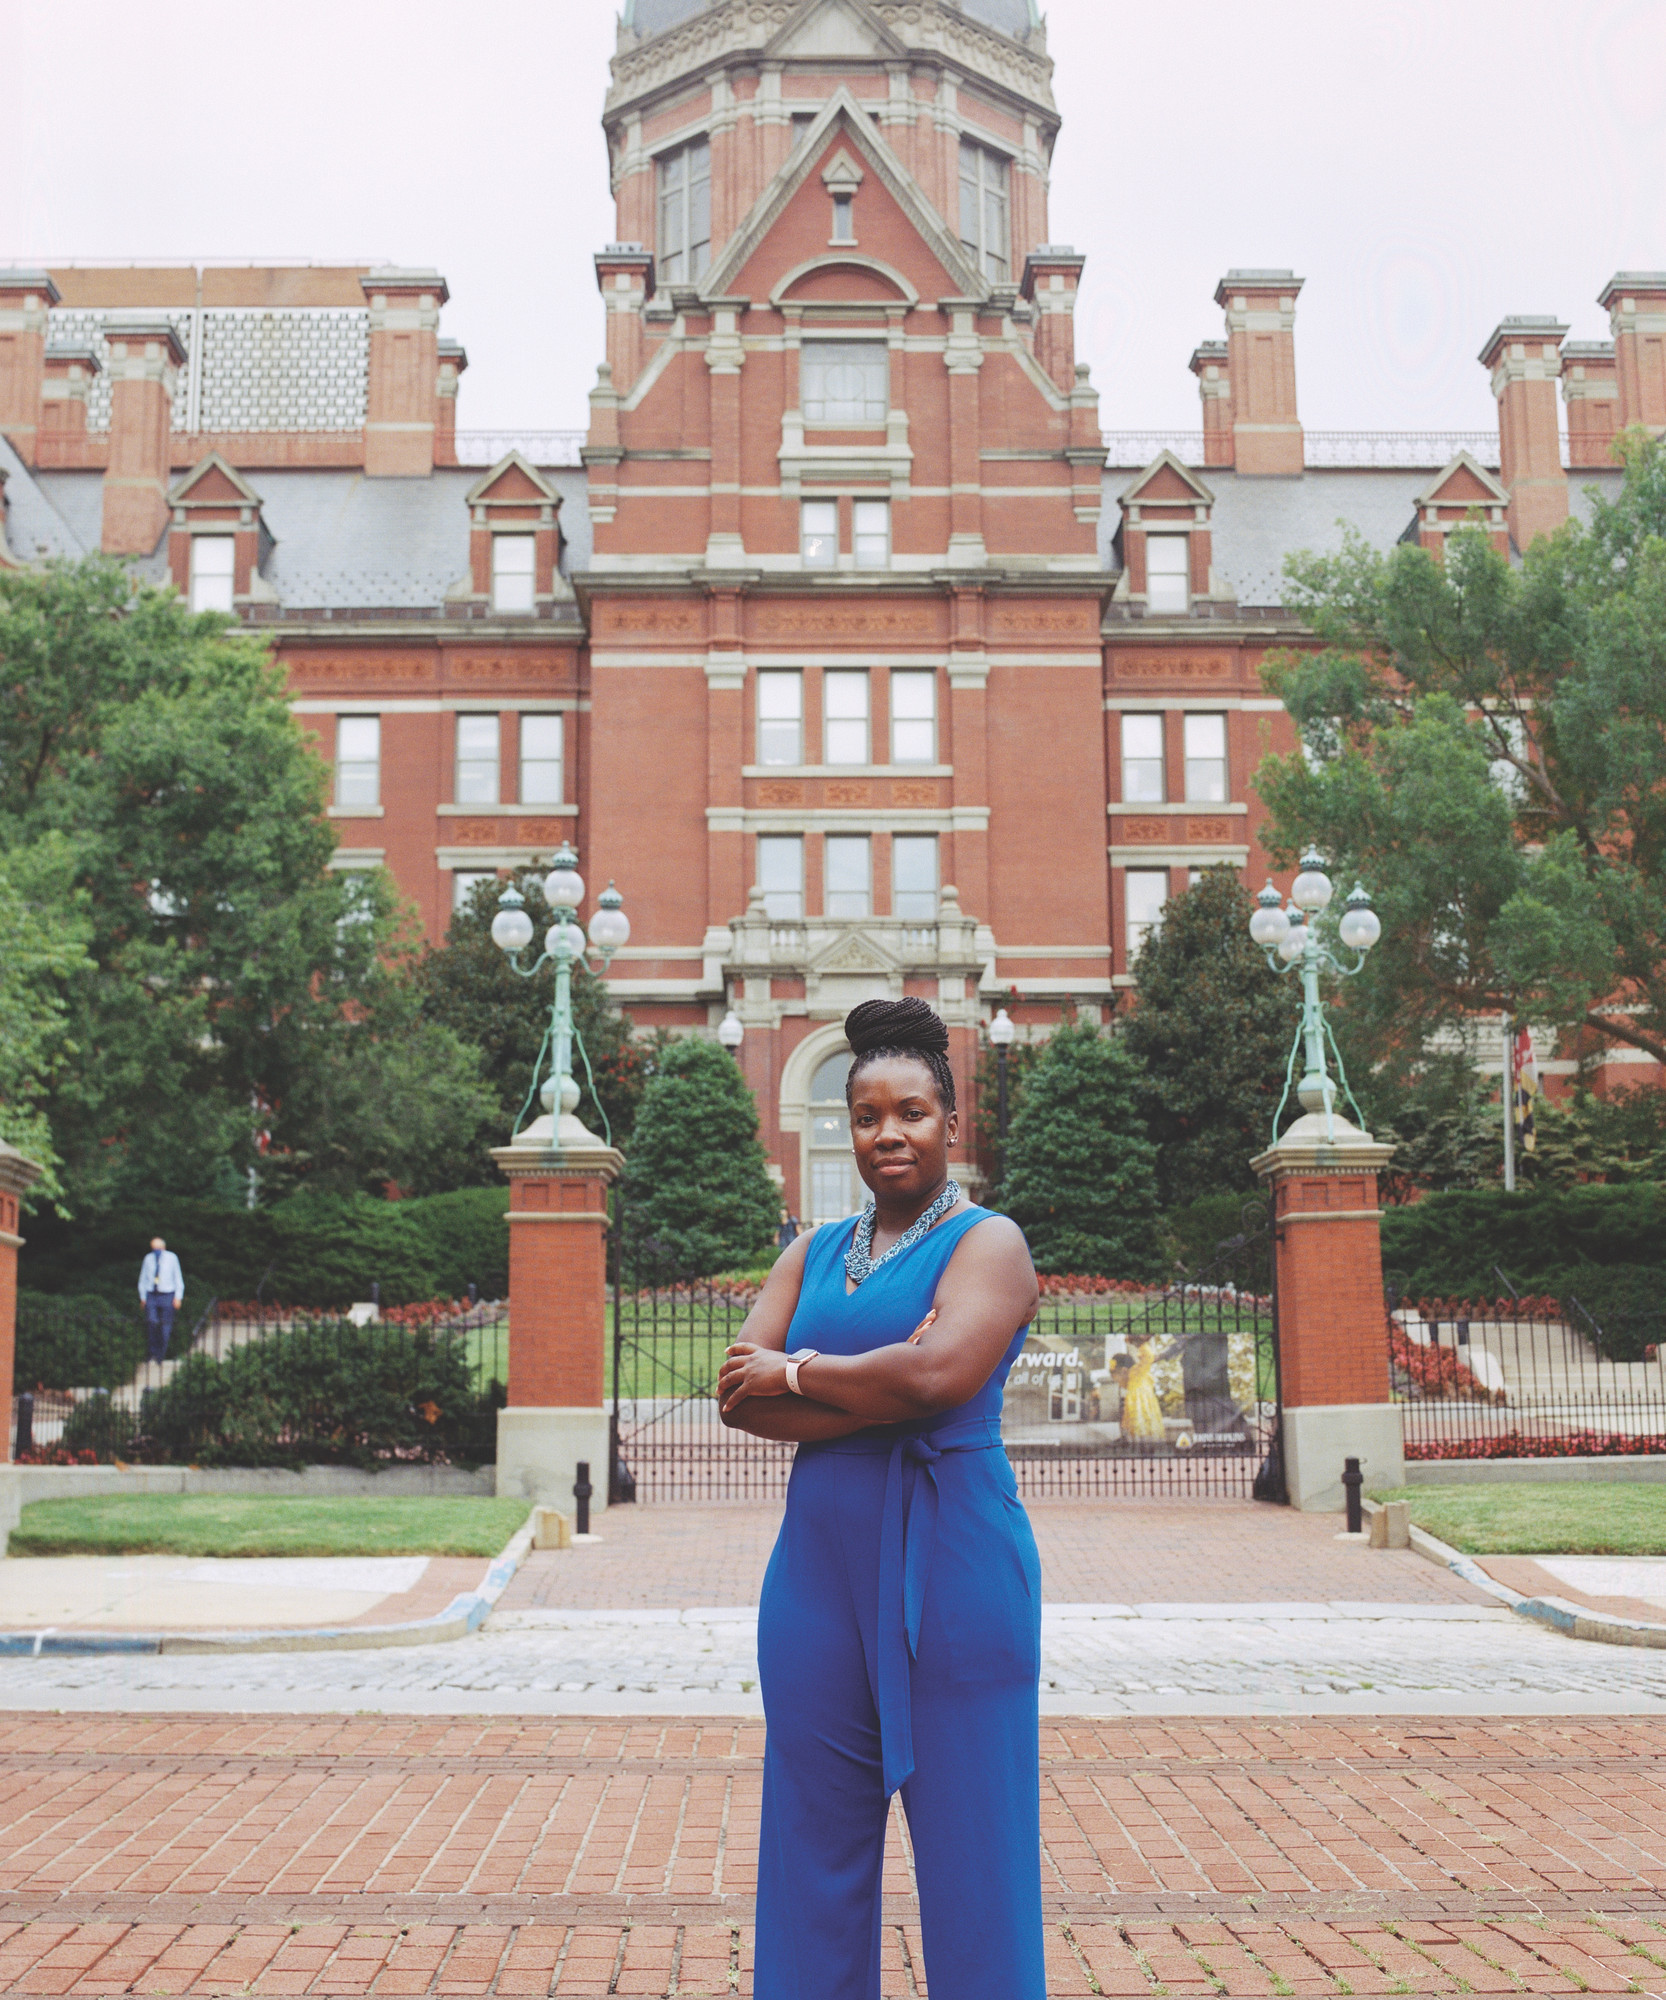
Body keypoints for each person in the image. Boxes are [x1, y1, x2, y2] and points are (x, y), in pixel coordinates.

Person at [718, 997, 1045, 2000]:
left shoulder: (989, 1243)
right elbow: (738, 1395)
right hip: (815, 1579)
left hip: (955, 1568)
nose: (887, 1132)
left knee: (975, 1857)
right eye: (866, 1115)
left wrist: (801, 1368)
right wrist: (868, 1379)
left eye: (910, 1111)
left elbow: (936, 1376)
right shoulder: (808, 1250)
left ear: (951, 1122)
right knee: (812, 1847)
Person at [137, 1237, 184, 1363]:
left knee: (165, 1326)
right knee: (152, 1322)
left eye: (158, 1248)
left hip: (167, 1294)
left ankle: (160, 1354)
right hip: (151, 1294)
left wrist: (178, 1297)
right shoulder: (148, 1258)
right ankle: (151, 1351)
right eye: (153, 1248)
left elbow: (178, 1278)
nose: (156, 1251)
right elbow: (143, 1279)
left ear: (163, 1248)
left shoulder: (172, 1258)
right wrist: (143, 1297)